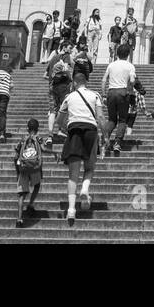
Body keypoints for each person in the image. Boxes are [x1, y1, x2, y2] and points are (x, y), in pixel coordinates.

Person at [55, 71, 104, 224]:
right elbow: (101, 116)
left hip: (74, 130)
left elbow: (59, 119)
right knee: (89, 167)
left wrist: (65, 127)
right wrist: (106, 135)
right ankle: (85, 189)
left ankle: (71, 209)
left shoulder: (69, 97)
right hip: (91, 130)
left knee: (72, 174)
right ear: (86, 82)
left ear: (74, 83)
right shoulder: (95, 95)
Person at [13, 119, 52, 227]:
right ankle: (30, 204)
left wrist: (18, 170)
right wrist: (54, 152)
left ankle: (19, 219)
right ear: (37, 128)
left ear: (27, 128)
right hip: (35, 167)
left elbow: (16, 156)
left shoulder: (22, 139)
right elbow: (43, 148)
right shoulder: (38, 138)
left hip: (24, 168)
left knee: (21, 195)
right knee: (37, 185)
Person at [100, 43, 137, 155]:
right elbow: (131, 81)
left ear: (117, 53)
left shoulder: (111, 65)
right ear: (128, 54)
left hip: (111, 92)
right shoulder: (130, 66)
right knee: (122, 119)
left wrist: (103, 95)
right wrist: (130, 91)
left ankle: (103, 139)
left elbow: (103, 80)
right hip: (122, 92)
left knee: (112, 119)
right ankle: (117, 142)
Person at [46, 42, 74, 134]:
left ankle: (50, 134)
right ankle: (61, 130)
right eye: (70, 48)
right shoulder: (66, 56)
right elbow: (65, 69)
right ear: (64, 48)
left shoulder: (53, 57)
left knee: (52, 111)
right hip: (63, 85)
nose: (71, 50)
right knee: (64, 108)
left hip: (52, 86)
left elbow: (45, 75)